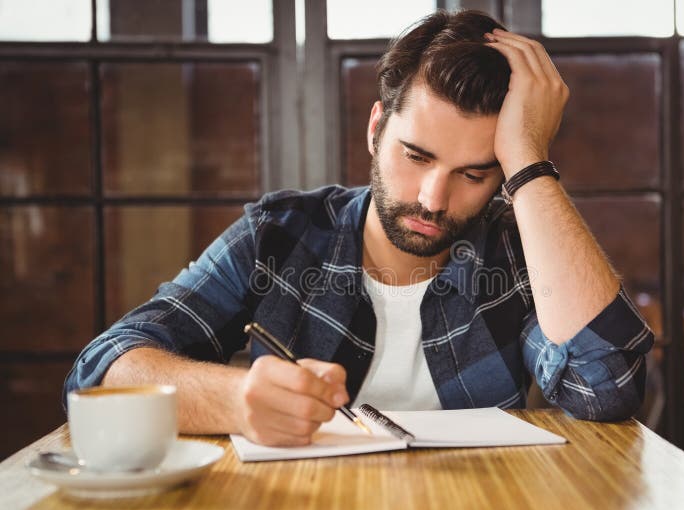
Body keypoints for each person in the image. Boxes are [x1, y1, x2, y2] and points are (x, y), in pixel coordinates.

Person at [64, 10, 654, 446]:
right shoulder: (281, 235)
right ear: (376, 130)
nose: (432, 198)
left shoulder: (516, 251)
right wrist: (235, 402)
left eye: (474, 174)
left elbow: (608, 388)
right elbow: (98, 374)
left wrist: (529, 163)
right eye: (416, 156)